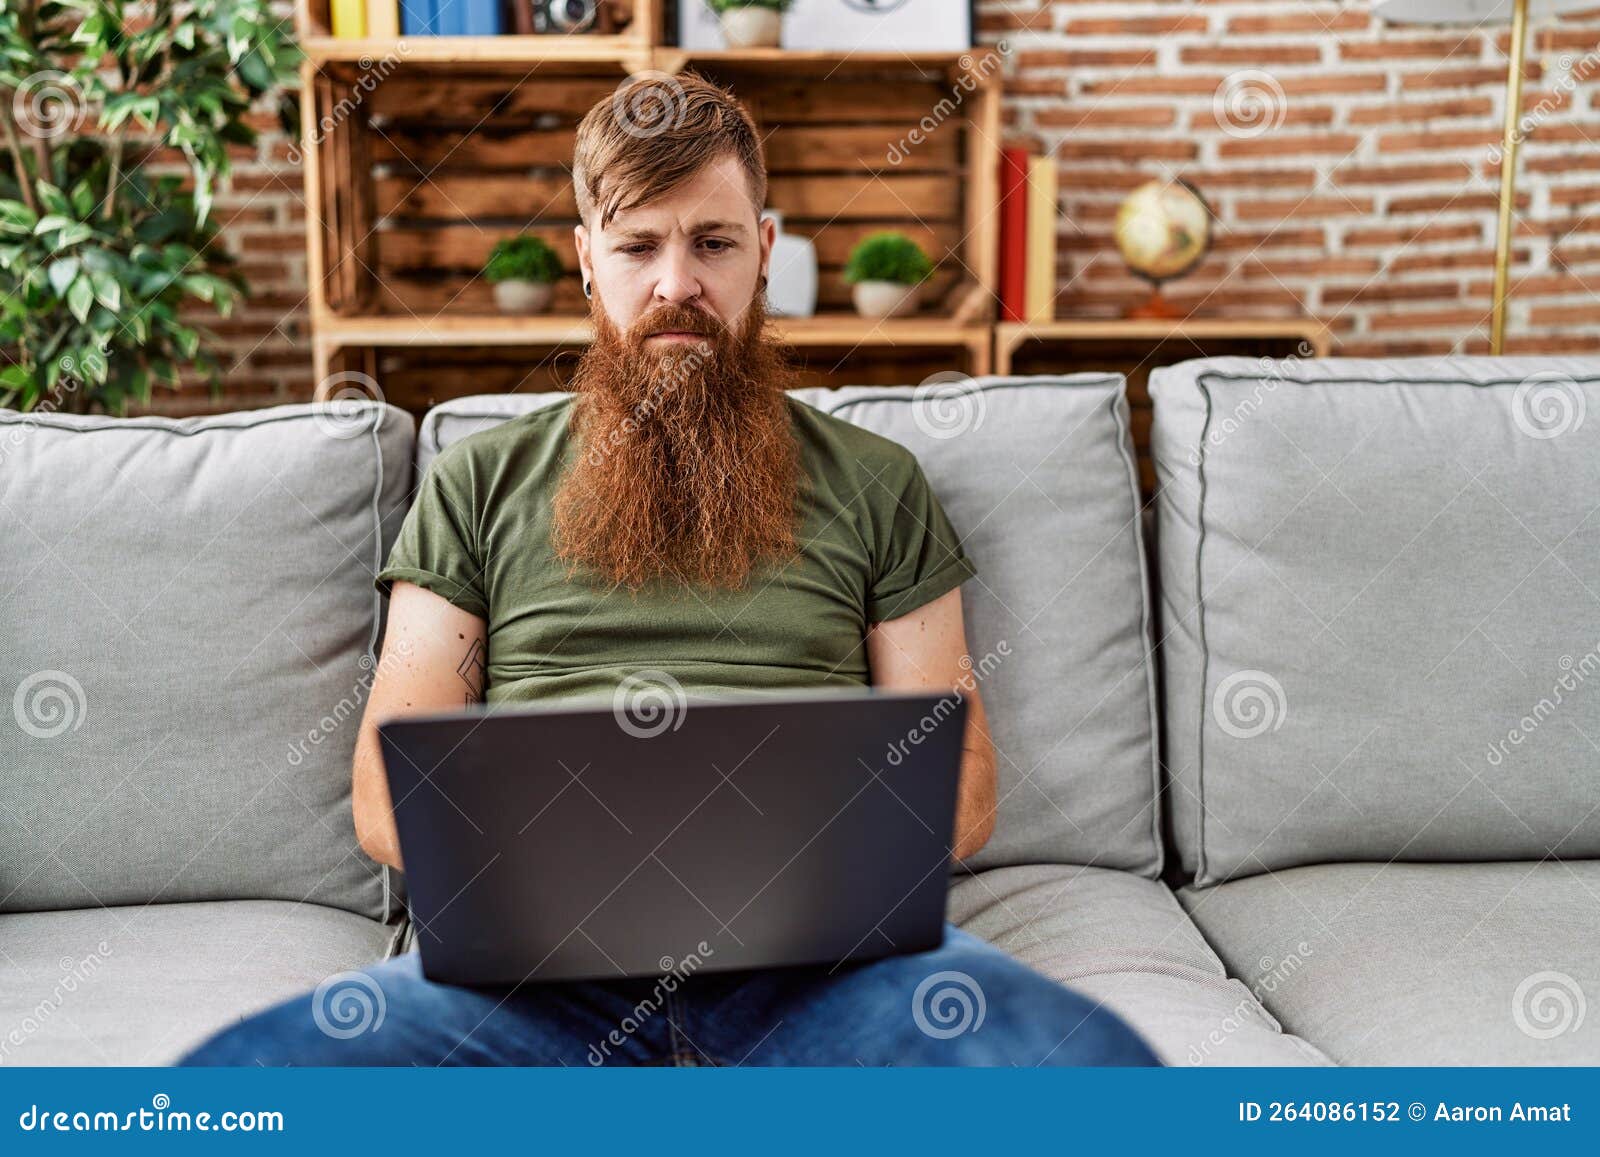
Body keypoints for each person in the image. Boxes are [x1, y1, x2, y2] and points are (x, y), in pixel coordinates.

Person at [180, 71, 1159, 1068]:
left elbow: (963, 789)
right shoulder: (476, 485)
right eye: (638, 245)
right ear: (584, 262)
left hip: (825, 973)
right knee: (248, 1079)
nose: (675, 284)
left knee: (1068, 1058)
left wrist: (769, 874)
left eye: (713, 242)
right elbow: (387, 802)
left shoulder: (877, 483)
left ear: (764, 253)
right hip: (537, 977)